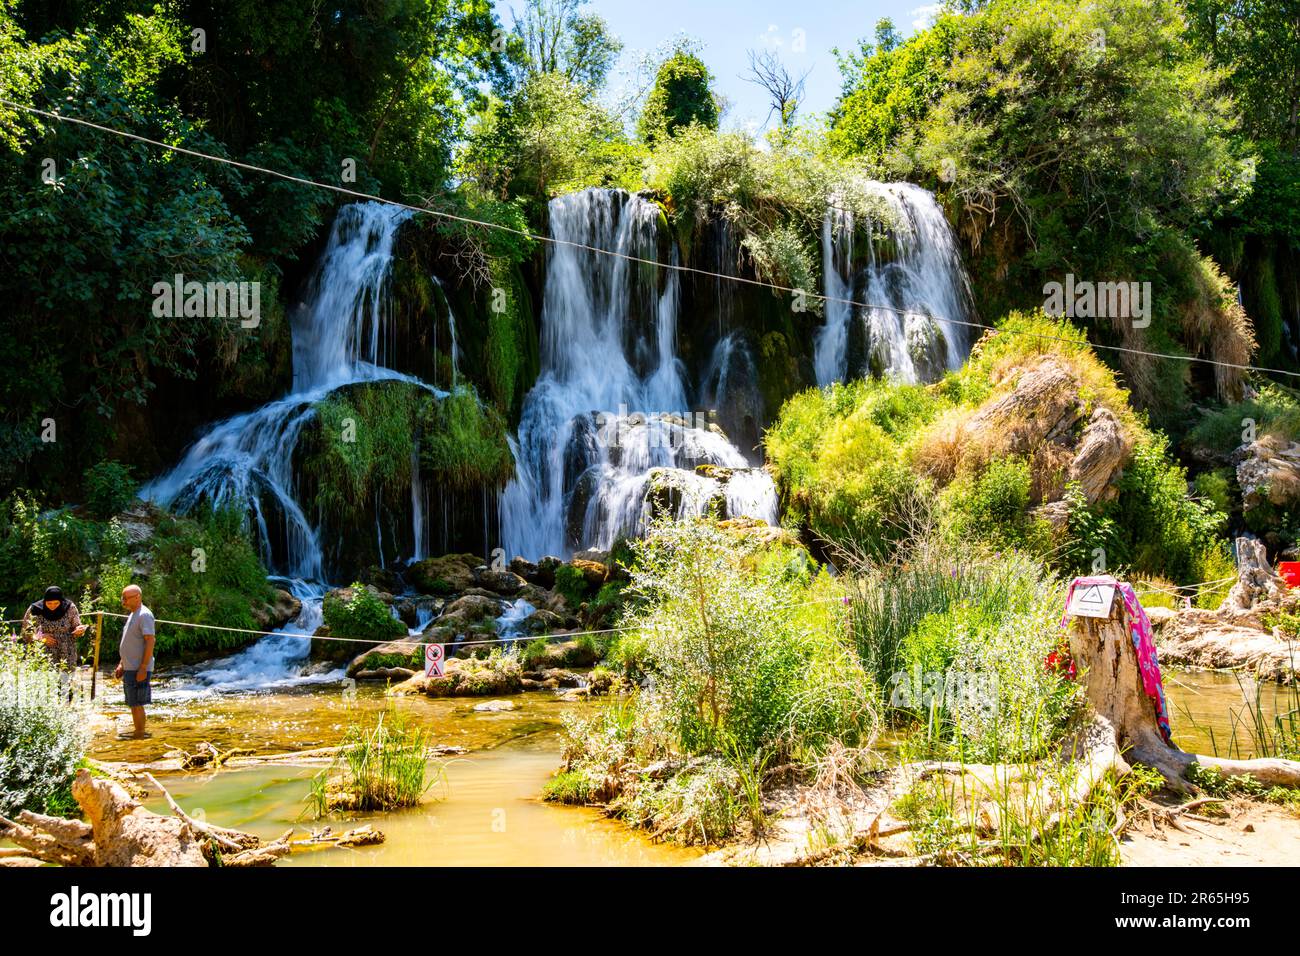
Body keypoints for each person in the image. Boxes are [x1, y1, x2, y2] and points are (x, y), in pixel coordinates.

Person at [20, 586, 88, 697]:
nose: (52, 606)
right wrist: (40, 637)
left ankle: (66, 709)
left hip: (66, 651)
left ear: (61, 601)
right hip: (43, 652)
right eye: (49, 603)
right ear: (44, 601)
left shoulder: (70, 607)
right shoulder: (35, 609)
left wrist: (80, 630)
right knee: (45, 684)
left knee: (66, 683)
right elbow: (25, 633)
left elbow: (77, 626)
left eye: (56, 603)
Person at [114, 584, 155, 739]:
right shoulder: (133, 614)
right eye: (122, 598)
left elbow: (150, 641)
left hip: (138, 667)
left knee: (137, 703)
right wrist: (122, 664)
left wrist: (143, 668)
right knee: (133, 702)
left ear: (137, 597)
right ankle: (139, 732)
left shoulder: (144, 615)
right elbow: (130, 643)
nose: (123, 602)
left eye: (126, 598)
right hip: (130, 666)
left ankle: (140, 734)